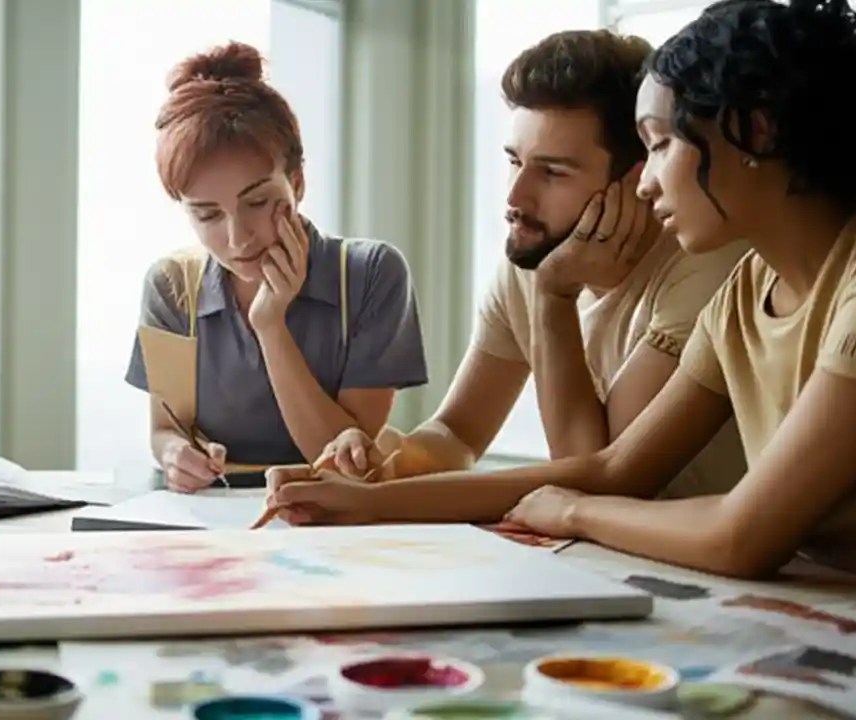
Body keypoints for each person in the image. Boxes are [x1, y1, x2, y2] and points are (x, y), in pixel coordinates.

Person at [268, 0, 856, 585]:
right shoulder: (747, 290)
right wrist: (368, 503)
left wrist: (573, 513)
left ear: (755, 133)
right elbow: (615, 469)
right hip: (833, 599)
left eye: (660, 146)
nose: (650, 185)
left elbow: (740, 535)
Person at [303, 29, 746, 499]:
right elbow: (457, 434)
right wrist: (382, 462)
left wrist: (553, 295)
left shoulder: (703, 266)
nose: (515, 197)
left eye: (553, 173)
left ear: (635, 179)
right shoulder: (532, 257)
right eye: (515, 162)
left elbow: (595, 473)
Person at [125, 42, 428, 492]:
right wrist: (175, 456)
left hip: (335, 519)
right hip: (209, 521)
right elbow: (167, 429)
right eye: (207, 215)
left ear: (298, 182)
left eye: (258, 202)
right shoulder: (172, 286)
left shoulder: (370, 276)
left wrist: (270, 326)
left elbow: (342, 462)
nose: (237, 238)